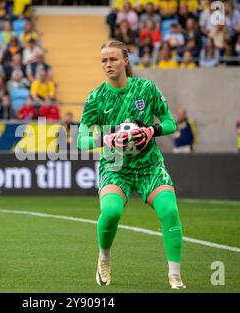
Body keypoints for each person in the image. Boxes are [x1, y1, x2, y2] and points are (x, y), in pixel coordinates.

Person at [77, 40, 185, 289]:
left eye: (113, 59)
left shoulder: (146, 89)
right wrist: (104, 138)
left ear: (125, 61)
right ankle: (104, 257)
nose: (107, 64)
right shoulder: (96, 97)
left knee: (169, 211)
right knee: (112, 212)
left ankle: (175, 276)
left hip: (149, 165)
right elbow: (81, 141)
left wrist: (151, 130)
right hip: (115, 167)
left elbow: (170, 123)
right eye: (103, 60)